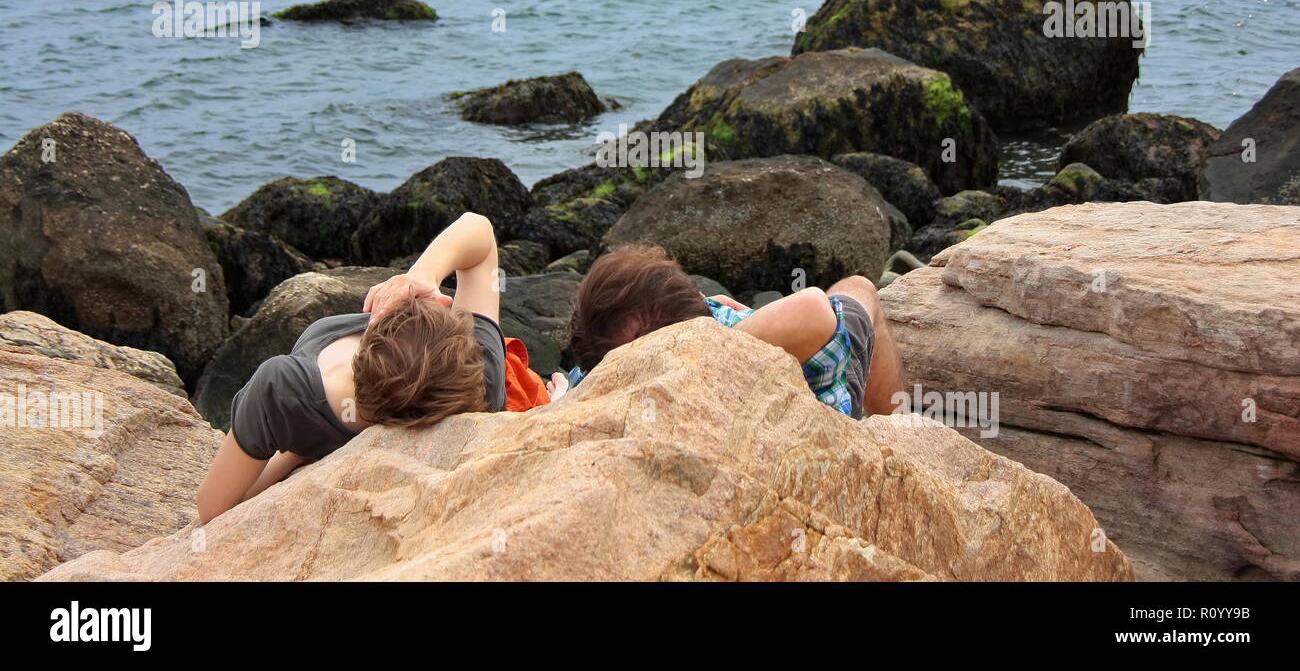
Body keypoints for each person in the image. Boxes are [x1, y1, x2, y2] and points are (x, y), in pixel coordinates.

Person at [196, 211, 558, 523]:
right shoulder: (482, 385)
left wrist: (292, 455)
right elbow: (479, 228)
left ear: (375, 329)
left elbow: (213, 510)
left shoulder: (283, 389)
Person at [565, 244, 903, 418]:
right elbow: (815, 308)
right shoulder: (724, 348)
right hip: (825, 413)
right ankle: (904, 431)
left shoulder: (599, 375)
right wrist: (729, 328)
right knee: (858, 289)